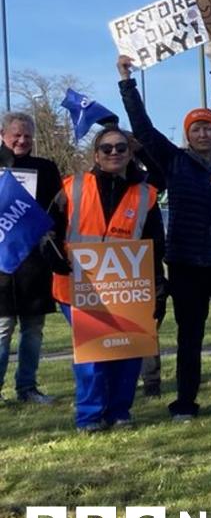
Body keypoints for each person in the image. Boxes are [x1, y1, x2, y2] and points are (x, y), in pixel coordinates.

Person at [118, 55, 211, 420]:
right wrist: (127, 82)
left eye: (208, 128)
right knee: (189, 337)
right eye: (196, 128)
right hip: (184, 266)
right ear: (187, 134)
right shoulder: (173, 162)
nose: (203, 133)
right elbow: (144, 129)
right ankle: (185, 401)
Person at [46, 126, 166, 431]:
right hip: (76, 286)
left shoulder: (146, 193)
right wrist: (52, 255)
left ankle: (119, 412)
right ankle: (89, 416)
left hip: (126, 287)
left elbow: (155, 245)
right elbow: (47, 231)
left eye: (121, 148)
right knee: (94, 354)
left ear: (130, 153)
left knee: (127, 351)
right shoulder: (71, 187)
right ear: (96, 155)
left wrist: (158, 289)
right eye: (107, 148)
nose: (114, 153)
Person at [0, 112, 63, 404]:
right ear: (3, 135)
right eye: (16, 135)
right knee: (2, 329)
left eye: (27, 135)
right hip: (2, 262)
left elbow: (58, 211)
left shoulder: (46, 168)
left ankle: (27, 388)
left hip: (34, 262)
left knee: (33, 330)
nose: (22, 140)